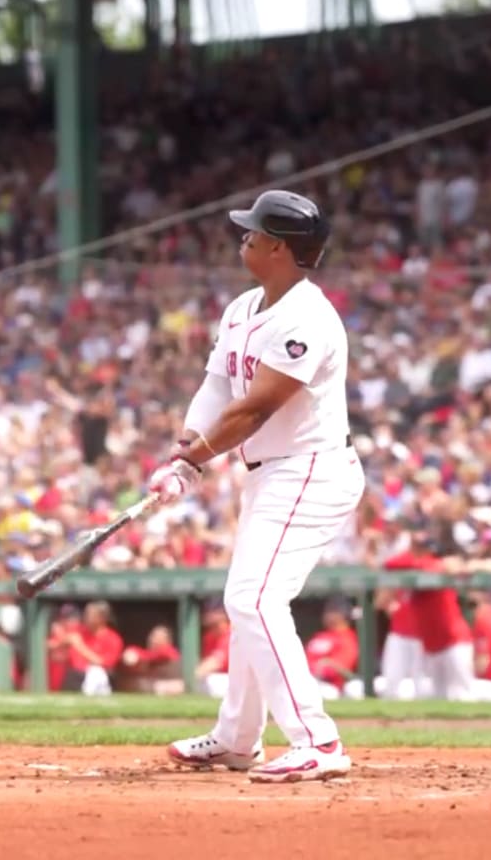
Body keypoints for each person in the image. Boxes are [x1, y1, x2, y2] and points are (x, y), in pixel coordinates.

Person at [154, 189, 363, 783]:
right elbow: (219, 389)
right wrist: (184, 446)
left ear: (280, 247)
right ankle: (237, 740)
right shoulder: (244, 307)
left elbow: (259, 407)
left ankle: (317, 741)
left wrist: (194, 462)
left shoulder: (309, 318)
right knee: (249, 602)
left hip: (309, 470)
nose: (243, 238)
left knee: (253, 599)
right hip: (271, 473)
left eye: (254, 232)